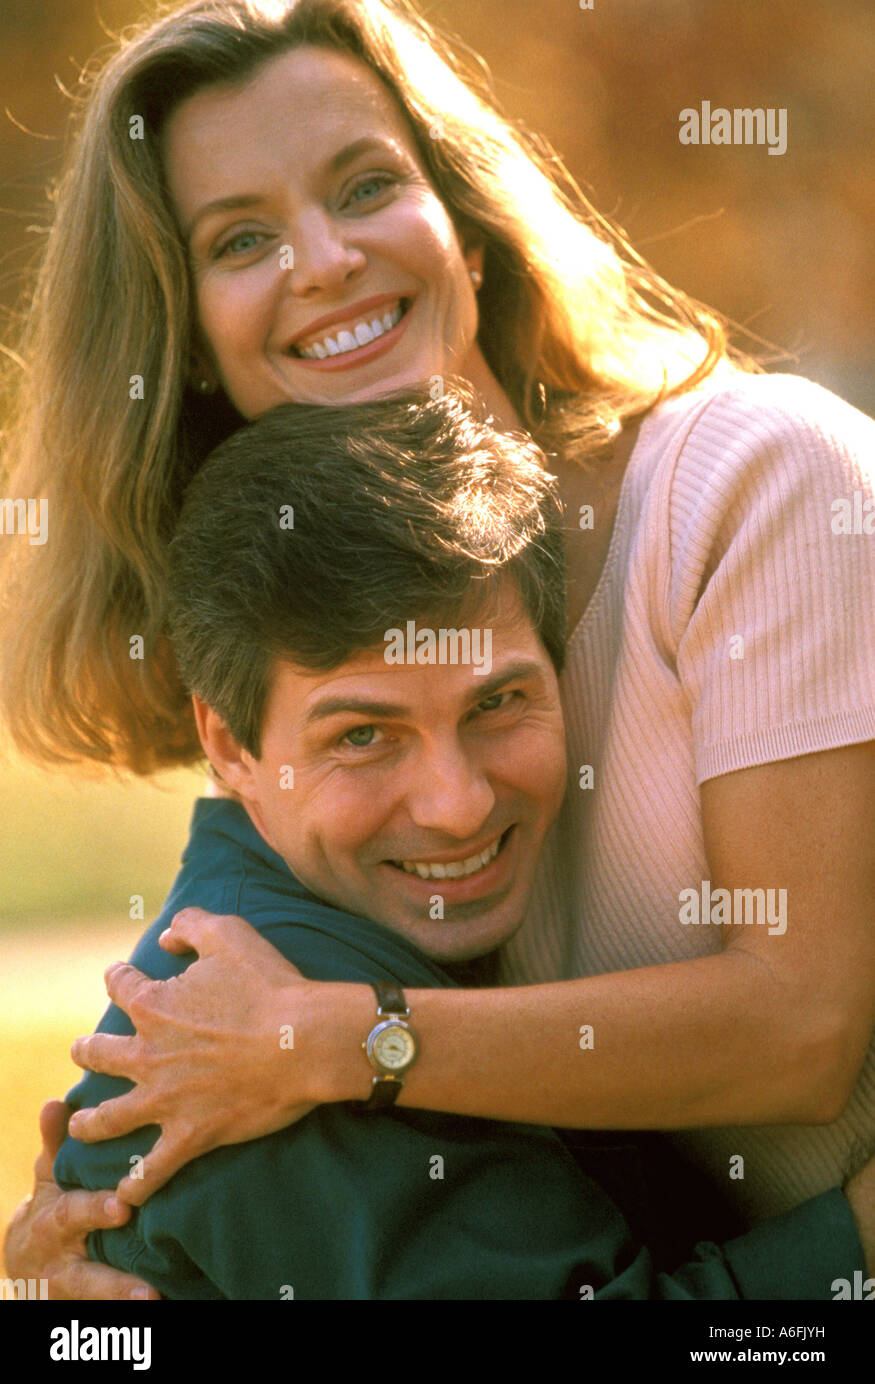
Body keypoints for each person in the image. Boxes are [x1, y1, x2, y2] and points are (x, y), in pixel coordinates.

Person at [1, 0, 872, 1298]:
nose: (325, 259)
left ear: (463, 233)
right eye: (240, 237)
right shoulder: (322, 626)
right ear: (184, 345)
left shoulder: (754, 485)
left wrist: (345, 1041)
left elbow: (800, 1027)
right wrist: (114, 1226)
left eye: (364, 185)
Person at [52, 394, 874, 1299]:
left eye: (495, 704)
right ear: (230, 747)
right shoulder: (228, 1053)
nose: (459, 805)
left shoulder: (331, 949)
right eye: (362, 736)